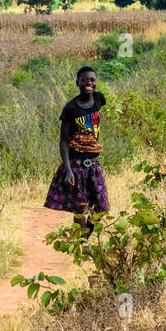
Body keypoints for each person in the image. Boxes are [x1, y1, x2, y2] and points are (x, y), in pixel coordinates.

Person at [43, 66, 109, 234]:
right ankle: (81, 244)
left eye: (92, 80)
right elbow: (64, 141)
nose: (88, 83)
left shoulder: (99, 99)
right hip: (76, 165)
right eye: (84, 80)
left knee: (100, 208)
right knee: (80, 208)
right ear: (77, 83)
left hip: (93, 164)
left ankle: (84, 238)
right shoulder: (70, 108)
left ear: (96, 82)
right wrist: (68, 170)